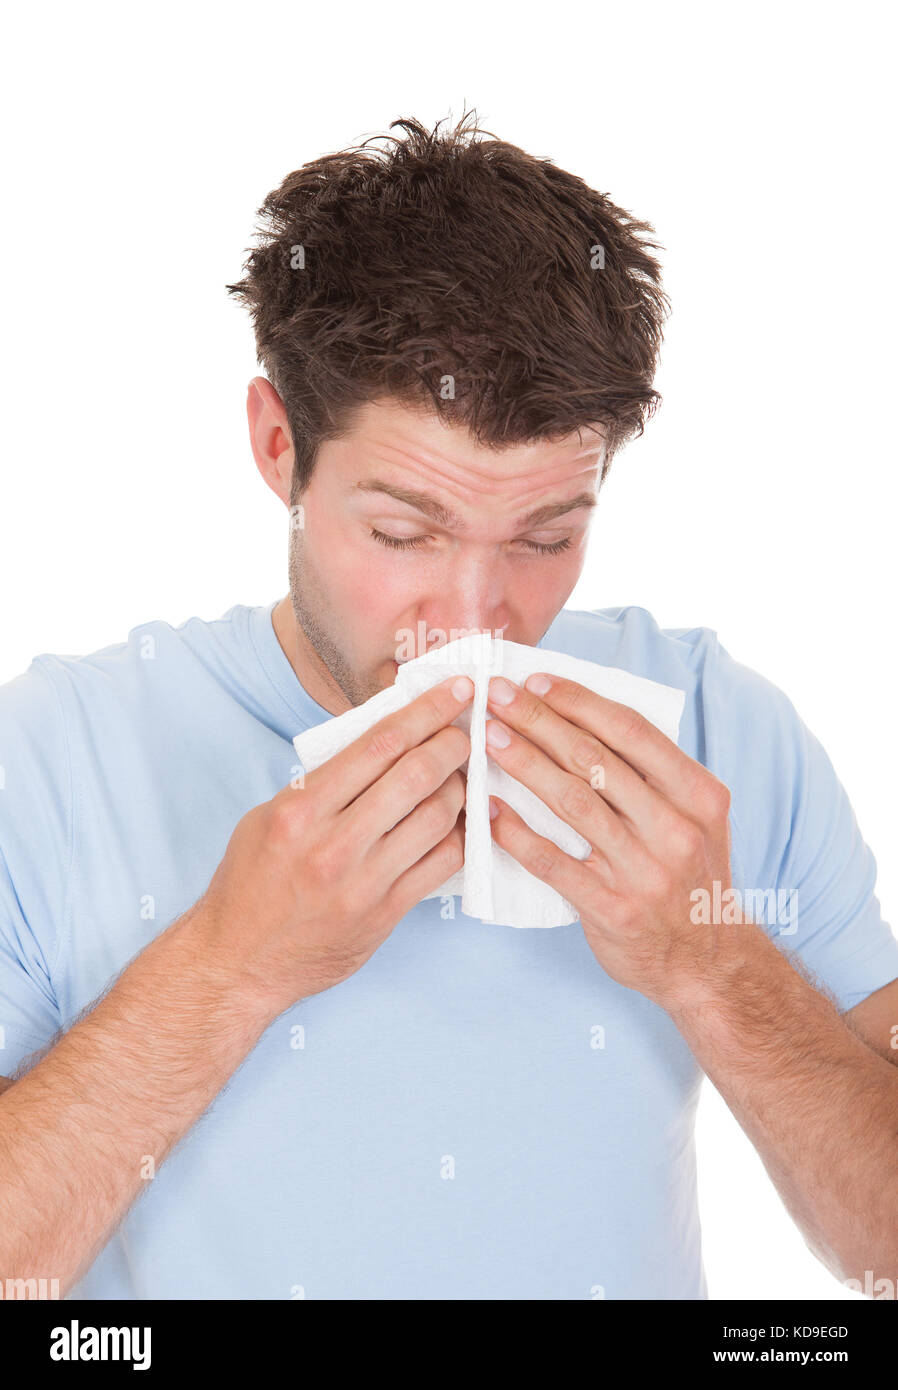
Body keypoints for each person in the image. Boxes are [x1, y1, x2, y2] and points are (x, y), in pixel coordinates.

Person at [1, 113, 896, 1301]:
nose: (474, 619)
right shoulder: (57, 753)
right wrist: (228, 969)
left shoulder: (719, 734)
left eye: (545, 536)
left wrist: (714, 964)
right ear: (279, 447)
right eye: (404, 532)